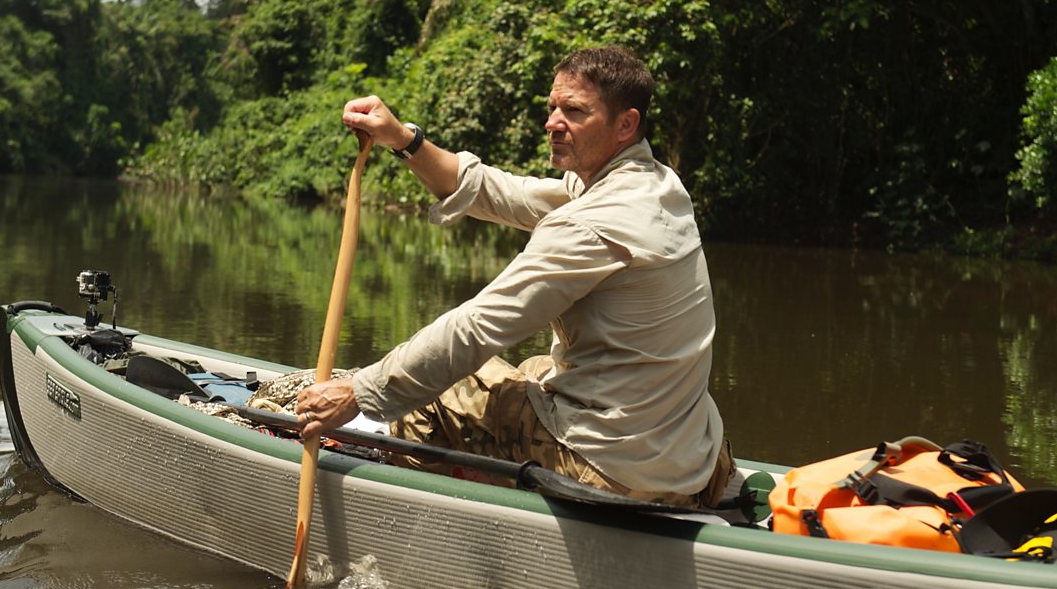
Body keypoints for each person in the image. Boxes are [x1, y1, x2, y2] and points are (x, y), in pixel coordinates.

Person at [296, 46, 731, 508]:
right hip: (699, 464)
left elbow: (477, 328)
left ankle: (451, 533)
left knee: (439, 391)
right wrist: (404, 140)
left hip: (612, 472)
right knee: (534, 371)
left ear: (625, 124)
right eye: (552, 108)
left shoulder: (591, 222)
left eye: (575, 111)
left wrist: (358, 392)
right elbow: (498, 192)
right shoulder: (658, 184)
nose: (552, 122)